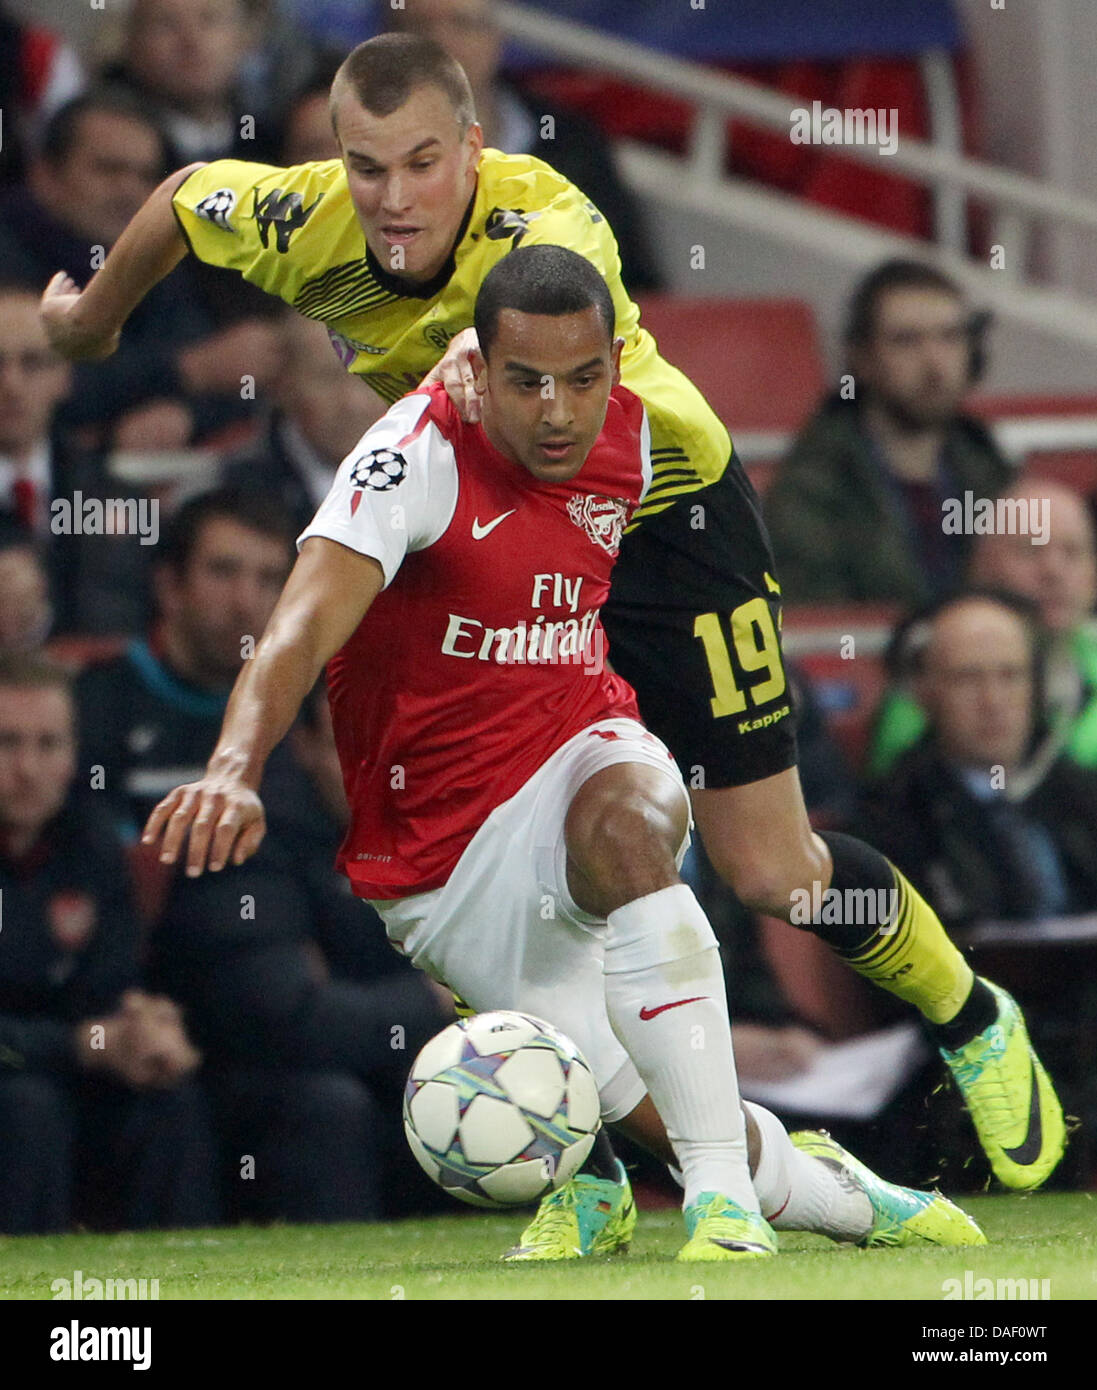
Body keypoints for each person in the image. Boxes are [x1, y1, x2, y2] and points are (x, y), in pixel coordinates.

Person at [39, 32, 1064, 1193]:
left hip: (664, 524)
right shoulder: (299, 219)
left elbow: (530, 319)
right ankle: (592, 1175)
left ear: (472, 150)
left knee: (773, 869)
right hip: (500, 547)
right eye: (365, 167)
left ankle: (965, 1007)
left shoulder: (549, 214)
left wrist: (478, 352)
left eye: (422, 162)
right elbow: (180, 200)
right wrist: (93, 321)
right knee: (473, 854)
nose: (391, 198)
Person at [141, 245, 985, 1260]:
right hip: (436, 848)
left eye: (582, 380)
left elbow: (699, 572)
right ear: (474, 368)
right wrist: (234, 764)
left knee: (634, 824)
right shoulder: (411, 456)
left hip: (577, 740)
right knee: (668, 1111)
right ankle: (808, 1190)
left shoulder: (642, 441)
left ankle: (715, 1205)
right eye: (527, 382)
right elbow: (294, 629)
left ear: (613, 371)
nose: (556, 412)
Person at [0, 653, 216, 1234]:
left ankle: (185, 1283)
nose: (28, 768)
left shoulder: (90, 842)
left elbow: (110, 988)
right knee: (26, 1108)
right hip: (23, 1081)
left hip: (68, 1067)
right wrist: (83, 1044)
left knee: (171, 1101)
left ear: (73, 754)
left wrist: (145, 1027)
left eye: (49, 745)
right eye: (7, 744)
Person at [1, 91, 281, 450]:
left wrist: (185, 412)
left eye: (145, 176)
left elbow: (236, 378)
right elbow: (40, 383)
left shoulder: (165, 258)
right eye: (109, 170)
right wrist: (185, 370)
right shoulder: (8, 260)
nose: (130, 191)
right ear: (45, 175)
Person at [765, 258, 1015, 605]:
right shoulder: (811, 489)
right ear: (862, 358)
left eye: (950, 337)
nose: (934, 362)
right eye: (906, 340)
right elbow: (822, 631)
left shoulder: (991, 467)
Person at [385, 0, 661, 293]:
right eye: (418, 28)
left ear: (495, 36)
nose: (442, 44)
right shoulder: (357, 149)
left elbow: (628, 278)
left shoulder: (569, 142)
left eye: (463, 24)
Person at [869, 478, 1097, 776]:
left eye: (1072, 552)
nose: (1053, 571)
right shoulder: (932, 667)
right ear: (982, 567)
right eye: (1030, 551)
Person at [0, 280, 151, 636]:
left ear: (64, 376)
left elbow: (120, 618)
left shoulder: (112, 495)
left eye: (33, 363)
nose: (11, 384)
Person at [219, 311, 388, 534]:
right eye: (327, 378)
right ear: (284, 385)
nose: (353, 403)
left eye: (370, 376)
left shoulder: (431, 479)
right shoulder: (235, 493)